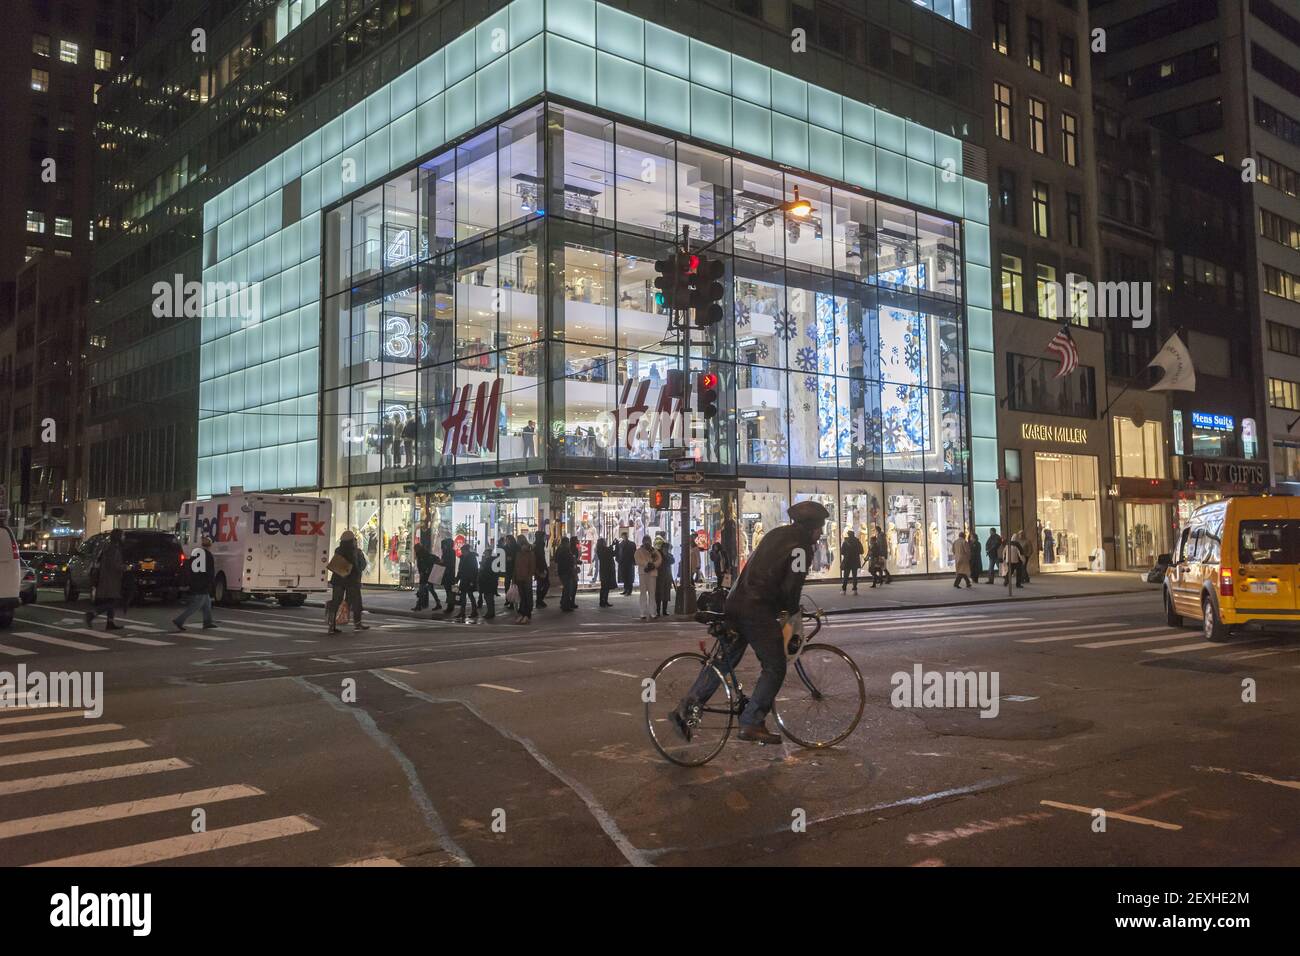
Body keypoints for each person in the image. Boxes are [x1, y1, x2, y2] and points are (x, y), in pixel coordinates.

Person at [674, 500, 830, 746]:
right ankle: (752, 721)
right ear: (810, 526)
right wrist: (792, 613)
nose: (821, 532)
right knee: (775, 666)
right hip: (757, 610)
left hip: (736, 603)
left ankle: (687, 707)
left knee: (724, 662)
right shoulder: (801, 547)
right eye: (819, 527)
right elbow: (792, 586)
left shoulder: (776, 534)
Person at [326, 530, 370, 634]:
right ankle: (357, 623)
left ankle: (331, 626)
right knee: (356, 602)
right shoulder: (356, 552)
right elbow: (361, 566)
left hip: (338, 580)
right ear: (352, 540)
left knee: (336, 602)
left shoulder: (338, 550)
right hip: (352, 581)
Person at [173, 535, 218, 631]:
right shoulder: (208, 555)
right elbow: (210, 572)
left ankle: (208, 622)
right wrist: (211, 582)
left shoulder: (196, 553)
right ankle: (179, 620)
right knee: (196, 606)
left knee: (207, 603)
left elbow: (189, 567)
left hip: (195, 581)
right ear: (210, 545)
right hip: (202, 583)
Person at [85, 529, 126, 631]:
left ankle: (110, 623)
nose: (124, 537)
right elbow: (114, 565)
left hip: (107, 577)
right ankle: (93, 614)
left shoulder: (108, 547)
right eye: (122, 535)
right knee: (113, 601)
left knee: (111, 600)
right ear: (118, 537)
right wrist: (124, 567)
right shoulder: (113, 549)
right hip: (111, 579)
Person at [634, 535, 661, 620]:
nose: (647, 543)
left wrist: (654, 565)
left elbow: (659, 559)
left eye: (648, 541)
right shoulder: (638, 551)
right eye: (645, 541)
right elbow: (637, 560)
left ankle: (653, 612)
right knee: (643, 593)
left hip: (652, 573)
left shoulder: (654, 551)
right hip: (643, 573)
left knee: (652, 593)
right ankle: (642, 613)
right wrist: (646, 564)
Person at [411, 542, 441, 611]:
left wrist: (424, 571)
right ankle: (437, 603)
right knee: (430, 590)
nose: (415, 550)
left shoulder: (422, 555)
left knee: (423, 591)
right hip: (426, 575)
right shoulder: (422, 554)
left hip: (425, 575)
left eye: (415, 549)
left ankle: (418, 605)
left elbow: (424, 565)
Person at [455, 542, 479, 621]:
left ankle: (474, 611)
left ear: (466, 551)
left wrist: (473, 580)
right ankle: (462, 612)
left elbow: (474, 570)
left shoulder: (471, 558)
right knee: (463, 596)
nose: (462, 552)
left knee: (470, 595)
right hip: (463, 579)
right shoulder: (462, 557)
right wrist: (457, 578)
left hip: (469, 579)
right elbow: (460, 569)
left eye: (463, 551)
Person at [513, 539, 535, 624]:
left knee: (527, 597)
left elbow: (532, 567)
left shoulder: (530, 554)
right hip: (519, 578)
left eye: (524, 545)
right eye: (521, 545)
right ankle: (522, 613)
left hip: (527, 579)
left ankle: (527, 614)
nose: (523, 547)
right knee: (522, 597)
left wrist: (529, 576)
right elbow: (515, 567)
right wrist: (514, 579)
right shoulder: (518, 554)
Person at [478, 540, 500, 620]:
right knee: (489, 598)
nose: (484, 554)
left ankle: (490, 612)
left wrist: (482, 566)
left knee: (488, 598)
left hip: (488, 582)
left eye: (485, 553)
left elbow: (486, 571)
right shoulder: (492, 561)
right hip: (491, 582)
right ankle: (491, 612)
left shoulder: (488, 561)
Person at [556, 536, 577, 611]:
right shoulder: (564, 550)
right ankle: (566, 605)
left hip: (564, 571)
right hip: (566, 572)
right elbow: (568, 561)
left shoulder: (561, 549)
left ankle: (564, 604)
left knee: (566, 589)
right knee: (568, 589)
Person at [655, 538, 675, 617]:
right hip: (659, 576)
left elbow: (672, 561)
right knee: (659, 593)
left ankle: (664, 610)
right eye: (665, 548)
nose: (666, 550)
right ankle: (657, 610)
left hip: (667, 576)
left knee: (666, 594)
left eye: (668, 548)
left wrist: (666, 555)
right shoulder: (658, 554)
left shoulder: (669, 555)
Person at [840, 530, 863, 594]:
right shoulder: (857, 542)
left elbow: (842, 552)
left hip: (847, 561)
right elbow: (862, 551)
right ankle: (855, 590)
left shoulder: (845, 542)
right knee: (854, 576)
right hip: (855, 561)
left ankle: (844, 590)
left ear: (848, 535)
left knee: (846, 576)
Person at [596, 537, 616, 607]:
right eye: (604, 541)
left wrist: (613, 546)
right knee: (604, 586)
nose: (605, 542)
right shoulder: (600, 549)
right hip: (605, 570)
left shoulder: (603, 549)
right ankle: (602, 601)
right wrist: (612, 545)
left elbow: (612, 553)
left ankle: (605, 601)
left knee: (606, 587)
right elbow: (608, 552)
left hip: (606, 570)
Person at [438, 538, 456, 615]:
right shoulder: (452, 552)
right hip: (450, 573)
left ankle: (450, 606)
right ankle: (450, 605)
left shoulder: (447, 552)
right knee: (450, 591)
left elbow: (444, 563)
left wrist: (440, 562)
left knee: (449, 591)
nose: (442, 547)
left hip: (447, 574)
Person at [533, 530, 550, 608]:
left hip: (542, 568)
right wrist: (539, 570)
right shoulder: (537, 546)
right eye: (543, 536)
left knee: (543, 585)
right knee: (542, 585)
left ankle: (539, 600)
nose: (544, 538)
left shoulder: (540, 545)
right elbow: (538, 559)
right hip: (539, 569)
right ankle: (539, 601)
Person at [617, 531, 637, 595]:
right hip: (623, 563)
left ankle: (629, 590)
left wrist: (634, 561)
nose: (624, 537)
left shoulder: (631, 544)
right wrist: (618, 560)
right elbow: (618, 553)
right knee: (625, 577)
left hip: (629, 562)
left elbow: (634, 553)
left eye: (624, 536)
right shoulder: (621, 544)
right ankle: (626, 589)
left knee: (629, 577)